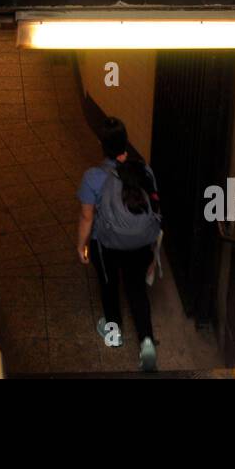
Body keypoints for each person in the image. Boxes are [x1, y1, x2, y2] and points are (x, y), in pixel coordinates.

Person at [77, 117, 162, 372]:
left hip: (107, 246)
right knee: (136, 291)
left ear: (101, 144)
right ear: (126, 142)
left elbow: (86, 217)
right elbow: (156, 209)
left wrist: (80, 245)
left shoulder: (93, 177)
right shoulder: (144, 170)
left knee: (108, 285)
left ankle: (113, 333)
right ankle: (147, 343)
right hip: (140, 245)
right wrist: (154, 254)